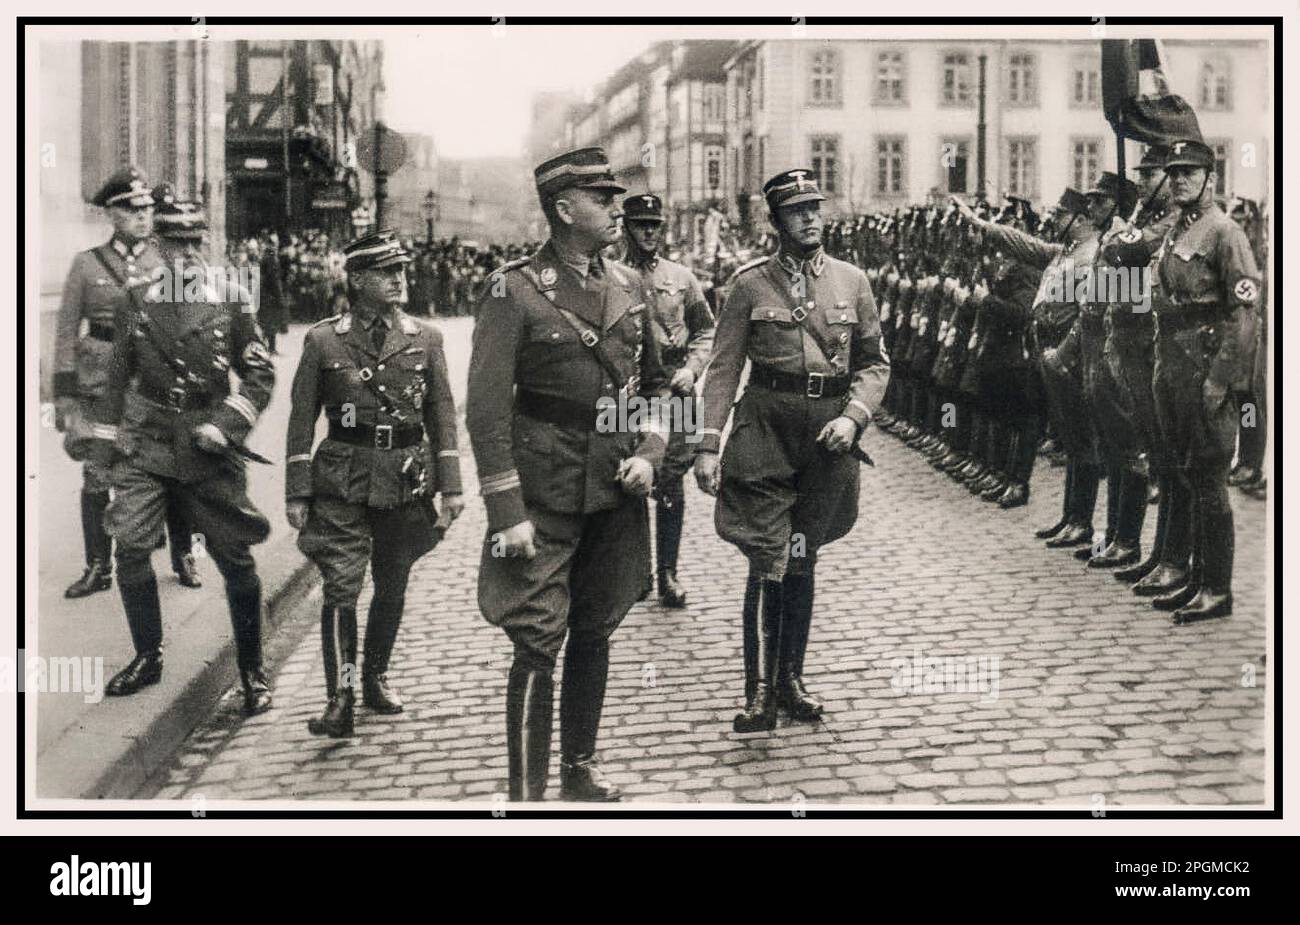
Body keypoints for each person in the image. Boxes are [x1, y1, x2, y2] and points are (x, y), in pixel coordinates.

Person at [465, 147, 668, 801]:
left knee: (596, 627)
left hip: (615, 488)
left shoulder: (632, 287)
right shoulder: (514, 290)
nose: (617, 207)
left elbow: (661, 387)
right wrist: (506, 514)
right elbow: (487, 411)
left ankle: (579, 769)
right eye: (602, 198)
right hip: (544, 497)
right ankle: (527, 794)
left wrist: (652, 452)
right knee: (536, 639)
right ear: (563, 209)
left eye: (615, 197)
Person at [694, 168, 889, 733]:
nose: (809, 218)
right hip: (765, 439)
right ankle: (758, 692)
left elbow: (874, 362)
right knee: (767, 557)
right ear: (776, 222)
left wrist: (854, 419)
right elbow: (724, 367)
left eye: (814, 207)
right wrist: (709, 445)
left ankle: (790, 679)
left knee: (801, 558)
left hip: (827, 443)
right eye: (796, 211)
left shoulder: (853, 282)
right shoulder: (749, 286)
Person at [96, 193, 275, 713]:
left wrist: (227, 424)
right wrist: (104, 449)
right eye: (176, 245)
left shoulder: (233, 296)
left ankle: (252, 671)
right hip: (149, 441)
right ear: (158, 246)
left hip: (207, 443)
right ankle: (148, 655)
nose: (187, 255)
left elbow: (259, 372)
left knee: (234, 558)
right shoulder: (136, 298)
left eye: (195, 243)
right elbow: (115, 379)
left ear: (206, 244)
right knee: (129, 546)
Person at [285, 231, 464, 737]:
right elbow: (302, 417)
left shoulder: (426, 338)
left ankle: (374, 676)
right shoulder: (323, 340)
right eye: (386, 273)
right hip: (342, 475)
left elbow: (441, 412)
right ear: (357, 280)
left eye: (400, 271)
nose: (398, 280)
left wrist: (451, 484)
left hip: (406, 478)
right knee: (342, 583)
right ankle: (339, 695)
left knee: (393, 579)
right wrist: (297, 489)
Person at [53, 168, 201, 599]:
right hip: (99, 386)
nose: (143, 217)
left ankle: (183, 556)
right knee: (97, 470)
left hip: (151, 384)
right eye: (133, 210)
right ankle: (98, 566)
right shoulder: (86, 264)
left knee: (171, 468)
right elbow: (65, 331)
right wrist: (64, 396)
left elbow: (187, 324)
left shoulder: (166, 262)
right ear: (112, 215)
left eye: (148, 209)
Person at [1145, 139, 1260, 624]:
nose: (1179, 181)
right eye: (1173, 174)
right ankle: (1193, 577)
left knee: (1211, 479)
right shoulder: (1177, 230)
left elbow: (1245, 311)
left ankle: (1217, 588)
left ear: (1210, 179)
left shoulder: (1225, 233)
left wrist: (1221, 381)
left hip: (1206, 364)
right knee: (1189, 474)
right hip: (1173, 363)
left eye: (1189, 173)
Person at [954, 189, 1101, 548]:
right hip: (1050, 354)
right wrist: (982, 226)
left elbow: (1093, 315)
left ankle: (1082, 520)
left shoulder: (1092, 257)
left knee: (1083, 441)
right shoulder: (1064, 253)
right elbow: (1024, 243)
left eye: (1061, 215)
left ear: (1080, 221)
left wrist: (1066, 354)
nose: (1052, 220)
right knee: (1070, 437)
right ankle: (1070, 517)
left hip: (1073, 357)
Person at [622, 193, 716, 608]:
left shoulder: (682, 278)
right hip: (630, 394)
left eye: (654, 224)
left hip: (674, 389)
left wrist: (693, 369)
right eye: (641, 224)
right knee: (631, 480)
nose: (648, 231)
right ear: (625, 227)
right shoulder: (610, 276)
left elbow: (706, 331)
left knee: (672, 482)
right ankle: (636, 571)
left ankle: (668, 573)